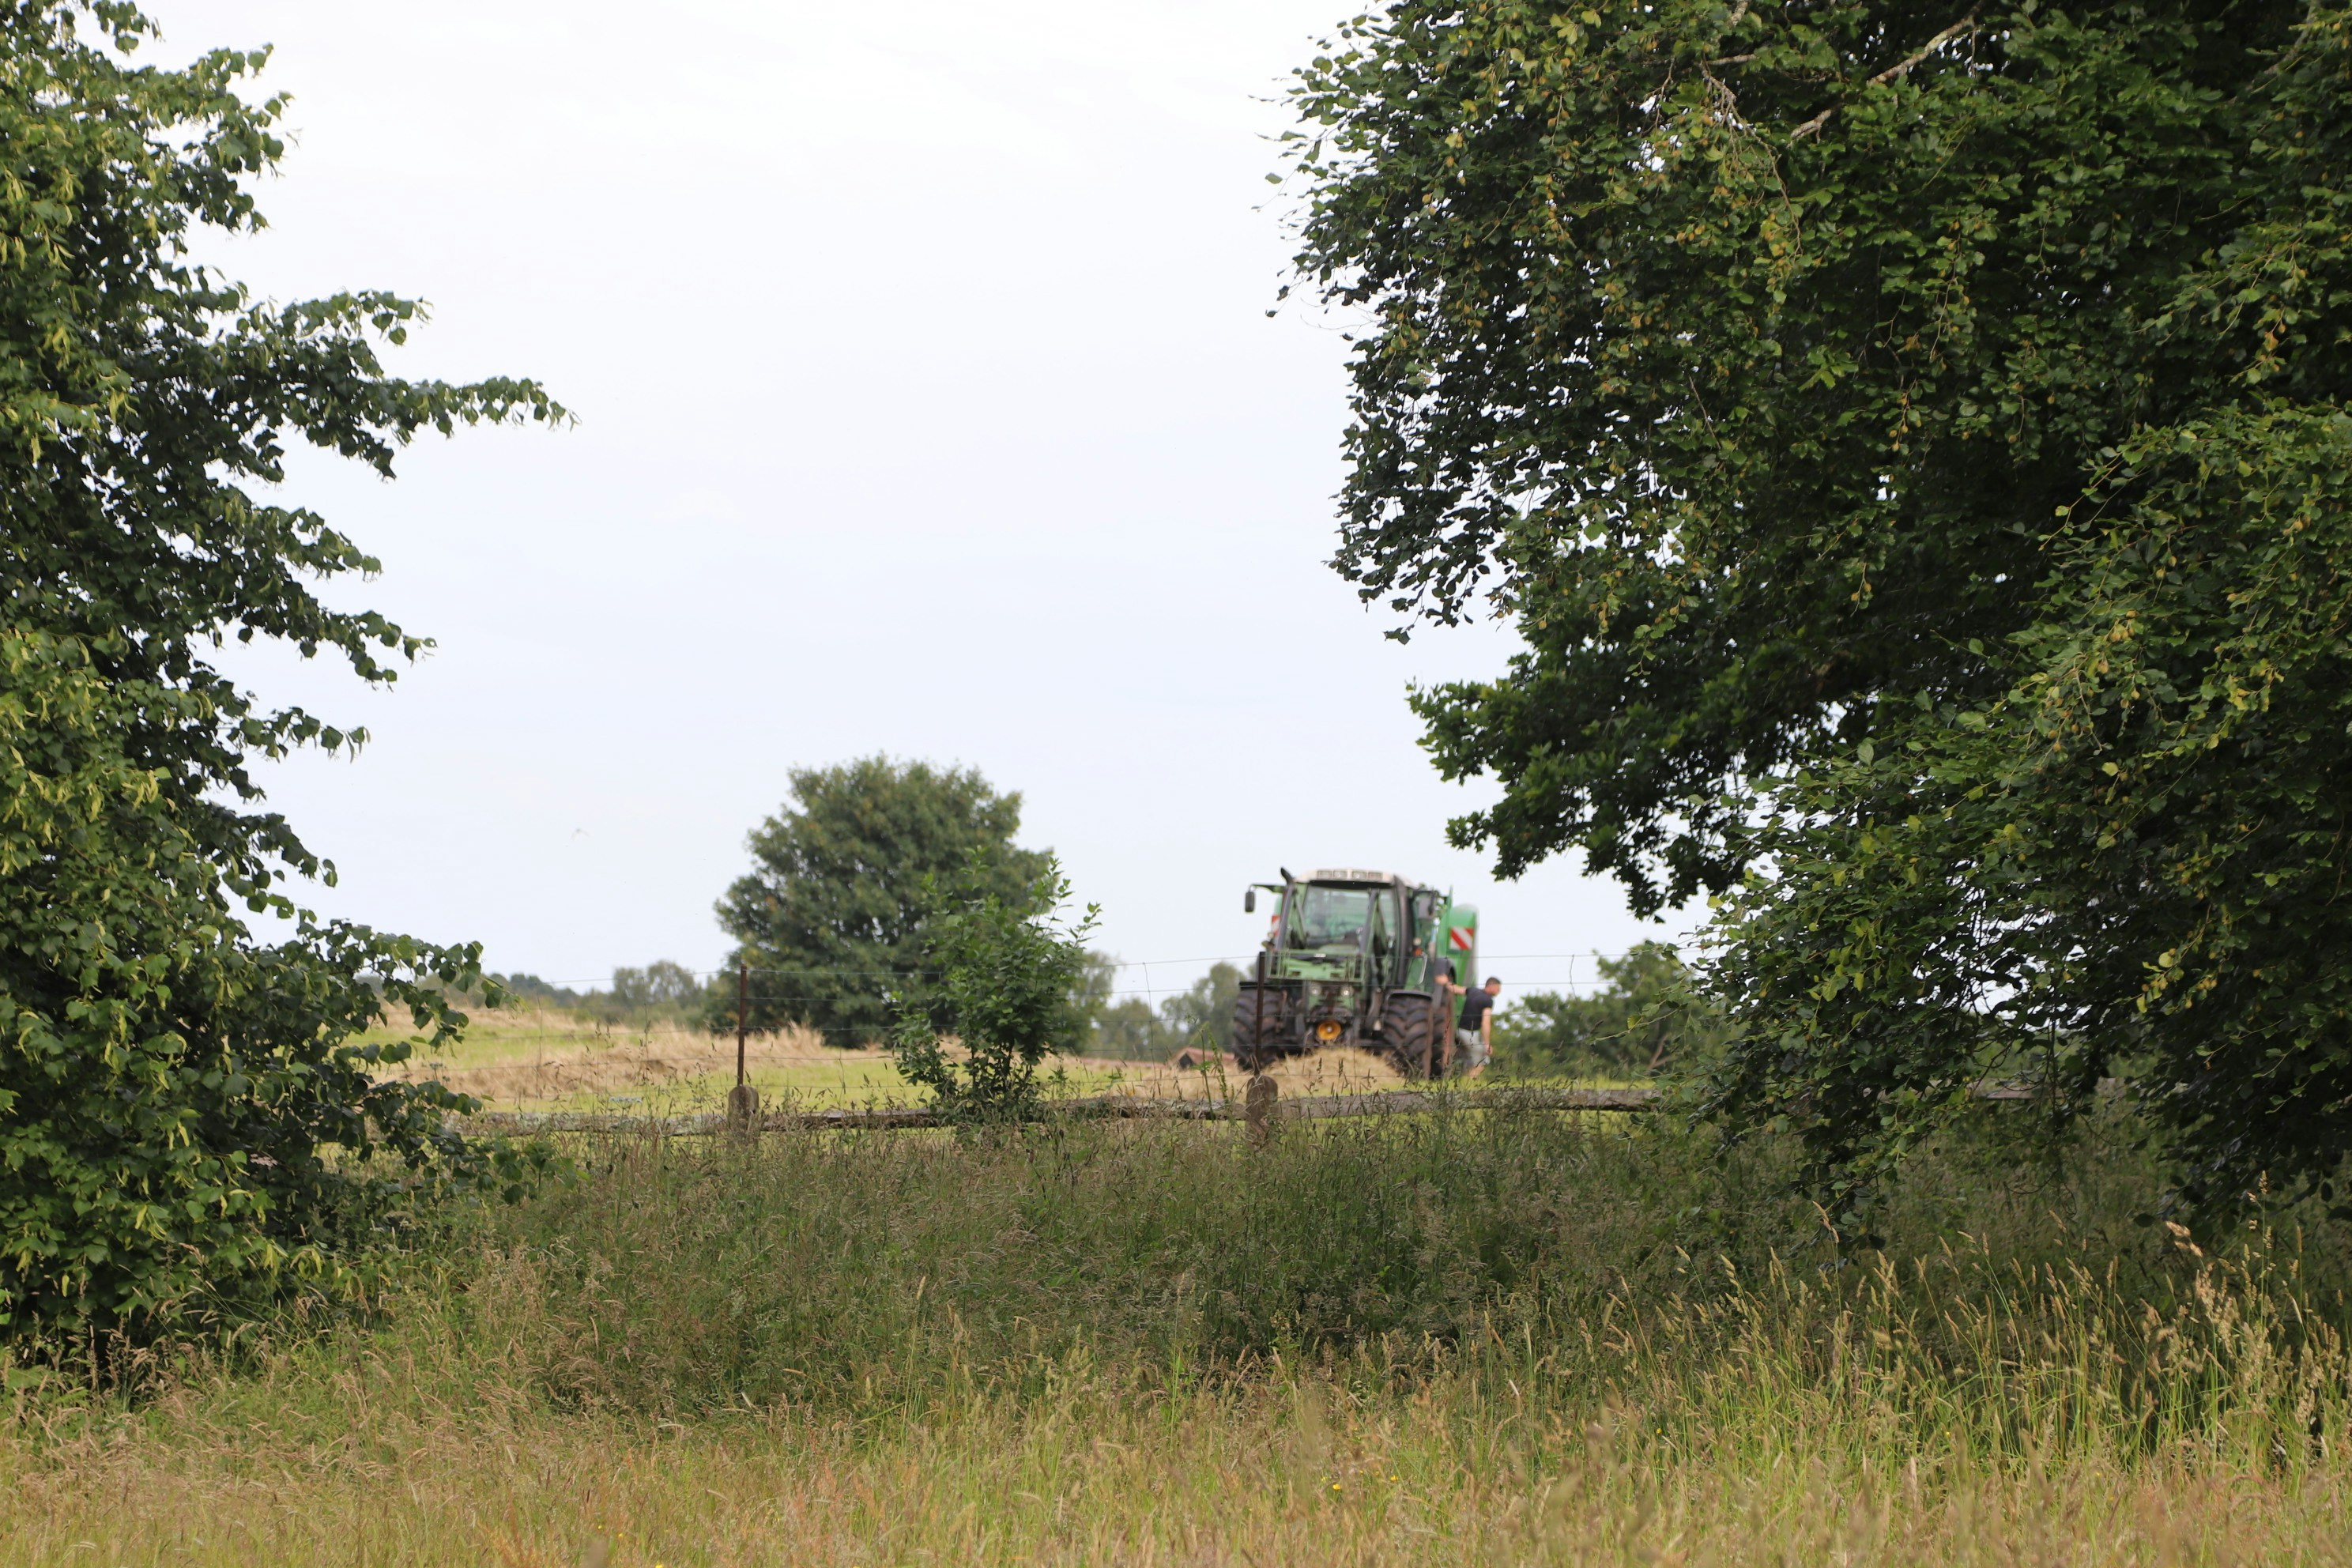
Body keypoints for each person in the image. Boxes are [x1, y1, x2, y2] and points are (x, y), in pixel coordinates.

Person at [1453, 975, 1501, 1079]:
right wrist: (1487, 1044)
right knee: (1482, 1061)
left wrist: (1445, 983)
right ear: (1491, 986)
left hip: (1458, 1032)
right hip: (1469, 1034)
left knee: (1466, 1060)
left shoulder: (1473, 991)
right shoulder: (1488, 1001)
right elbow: (1485, 1023)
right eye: (1498, 988)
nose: (1499, 992)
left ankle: (1460, 1079)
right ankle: (1469, 1085)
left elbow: (1455, 989)